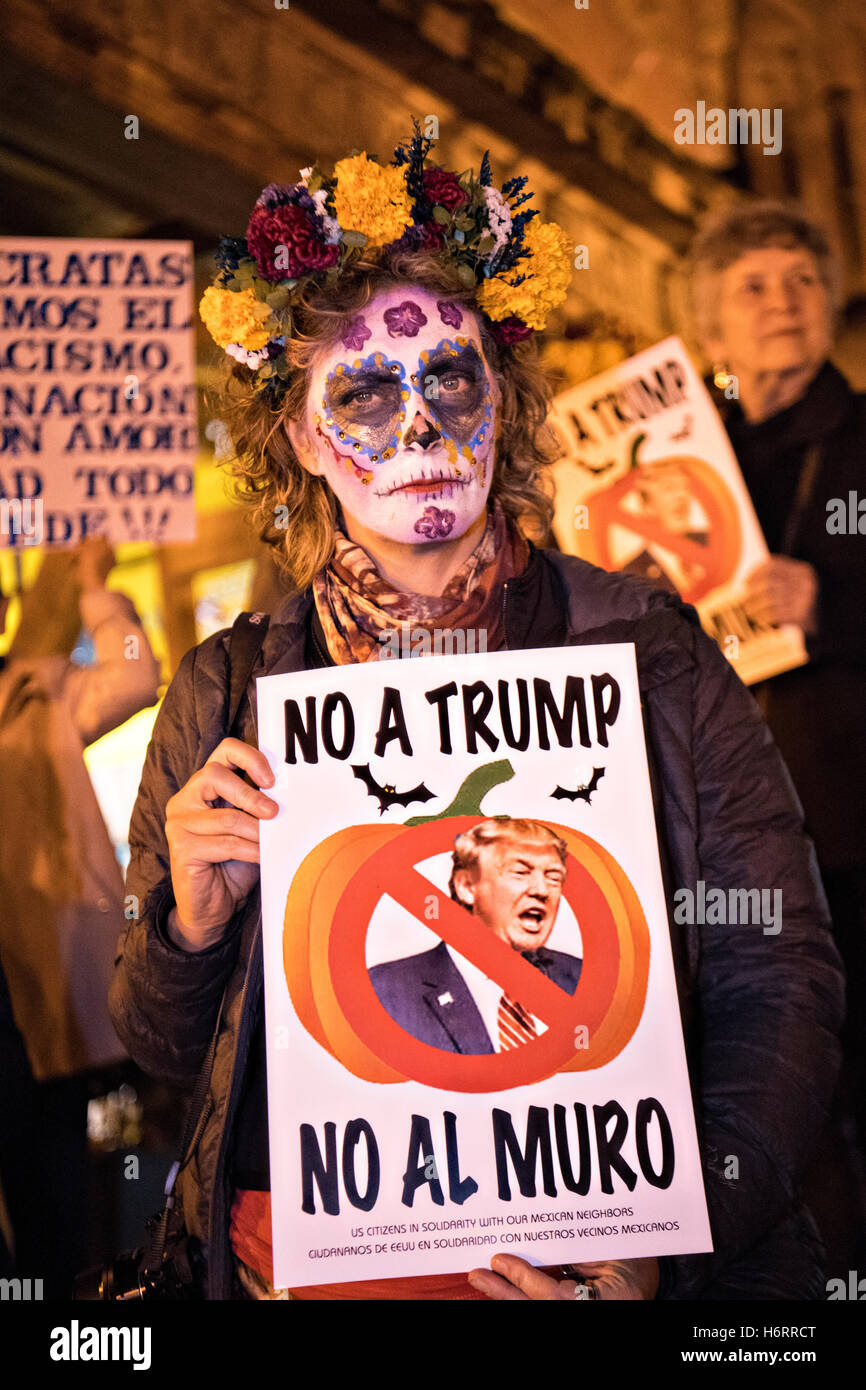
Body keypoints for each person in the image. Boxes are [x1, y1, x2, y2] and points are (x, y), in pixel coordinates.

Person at [110, 132, 843, 1302]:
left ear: (499, 401)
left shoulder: (650, 651)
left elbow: (779, 974)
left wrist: (672, 1231)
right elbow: (160, 1047)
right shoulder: (225, 688)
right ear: (300, 439)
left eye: (450, 379)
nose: (417, 427)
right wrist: (190, 925)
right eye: (362, 392)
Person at [689, 202, 866, 1263]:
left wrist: (831, 606)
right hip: (723, 829)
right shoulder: (684, 452)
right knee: (766, 1082)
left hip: (852, 822)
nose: (781, 303)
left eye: (800, 279)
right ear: (711, 324)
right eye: (751, 286)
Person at [0, 538, 160, 1294]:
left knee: (60, 1184)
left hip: (43, 989)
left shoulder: (36, 691)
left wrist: (95, 585)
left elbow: (135, 672)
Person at [370, 817, 581, 1054]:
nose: (542, 890)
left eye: (553, 877)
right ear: (467, 886)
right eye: (520, 872)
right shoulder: (387, 990)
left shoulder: (578, 978)